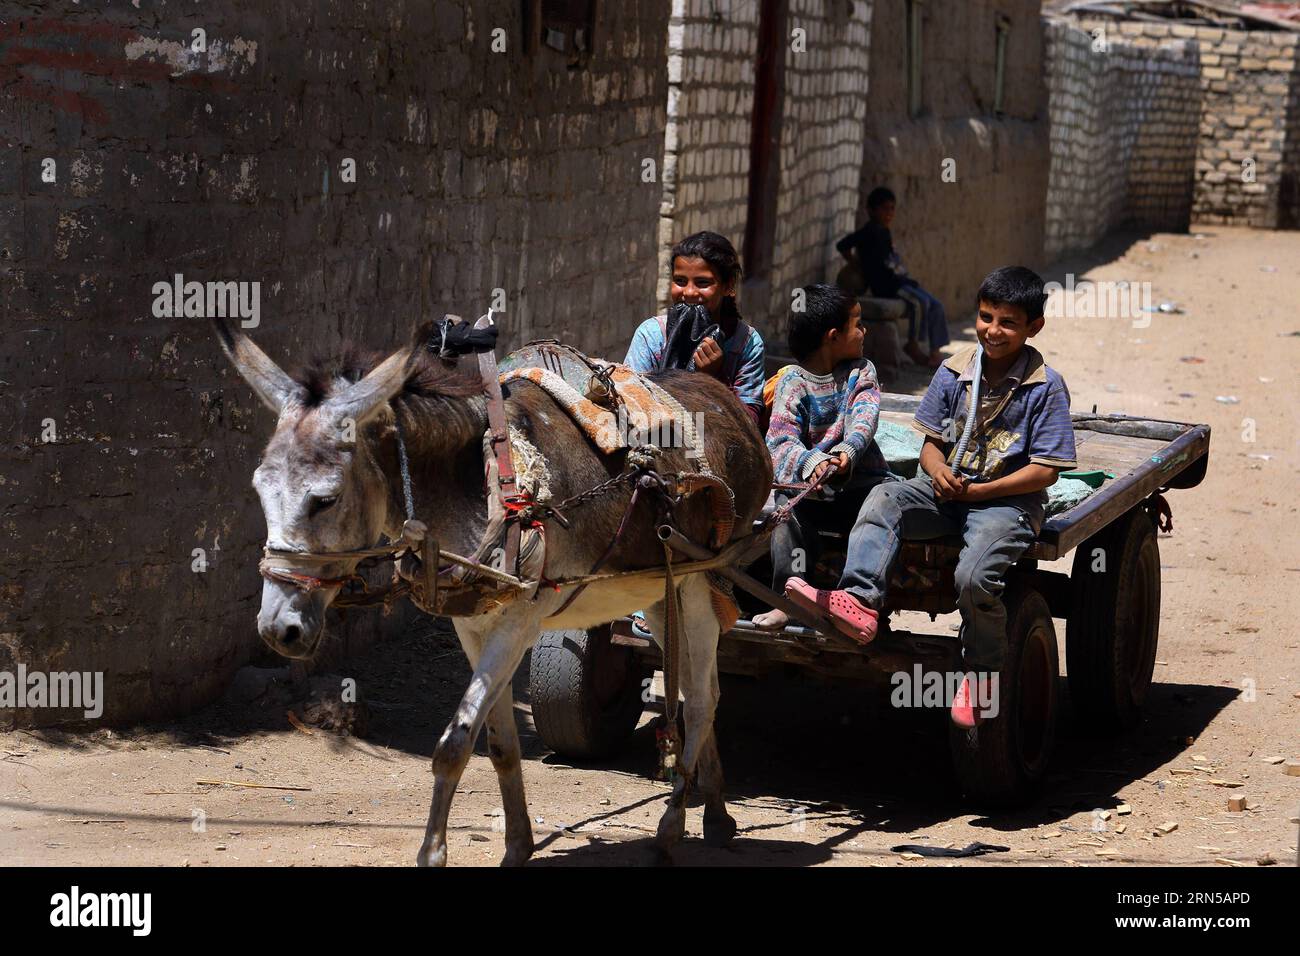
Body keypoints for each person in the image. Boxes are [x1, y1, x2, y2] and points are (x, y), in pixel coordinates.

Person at [783, 267, 1077, 728]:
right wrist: (938, 472)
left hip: (1007, 504)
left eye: (1008, 322)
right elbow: (930, 443)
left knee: (974, 577)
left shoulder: (1045, 386)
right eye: (985, 317)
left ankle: (982, 675)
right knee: (883, 498)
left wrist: (983, 490)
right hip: (948, 492)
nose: (992, 331)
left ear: (1034, 327)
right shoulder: (955, 371)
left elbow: (1046, 470)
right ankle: (859, 601)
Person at [753, 284, 896, 630]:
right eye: (858, 324)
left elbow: (864, 419)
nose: (864, 331)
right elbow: (781, 440)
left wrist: (846, 452)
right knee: (786, 508)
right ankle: (788, 599)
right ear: (833, 336)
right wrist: (811, 462)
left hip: (861, 486)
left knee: (883, 500)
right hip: (812, 492)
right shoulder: (793, 383)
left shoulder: (862, 372)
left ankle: (856, 601)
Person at [626, 231, 765, 425]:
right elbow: (629, 402)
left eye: (703, 283)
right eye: (680, 281)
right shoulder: (652, 335)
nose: (689, 292)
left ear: (728, 286)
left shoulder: (746, 343)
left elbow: (749, 423)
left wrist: (713, 378)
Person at [836, 186, 950, 369]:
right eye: (884, 208)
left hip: (899, 281)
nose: (889, 213)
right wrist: (858, 266)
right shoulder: (869, 231)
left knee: (935, 304)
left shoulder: (883, 231)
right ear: (871, 210)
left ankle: (935, 351)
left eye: (892, 208)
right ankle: (913, 344)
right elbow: (842, 245)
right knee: (919, 304)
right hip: (886, 286)